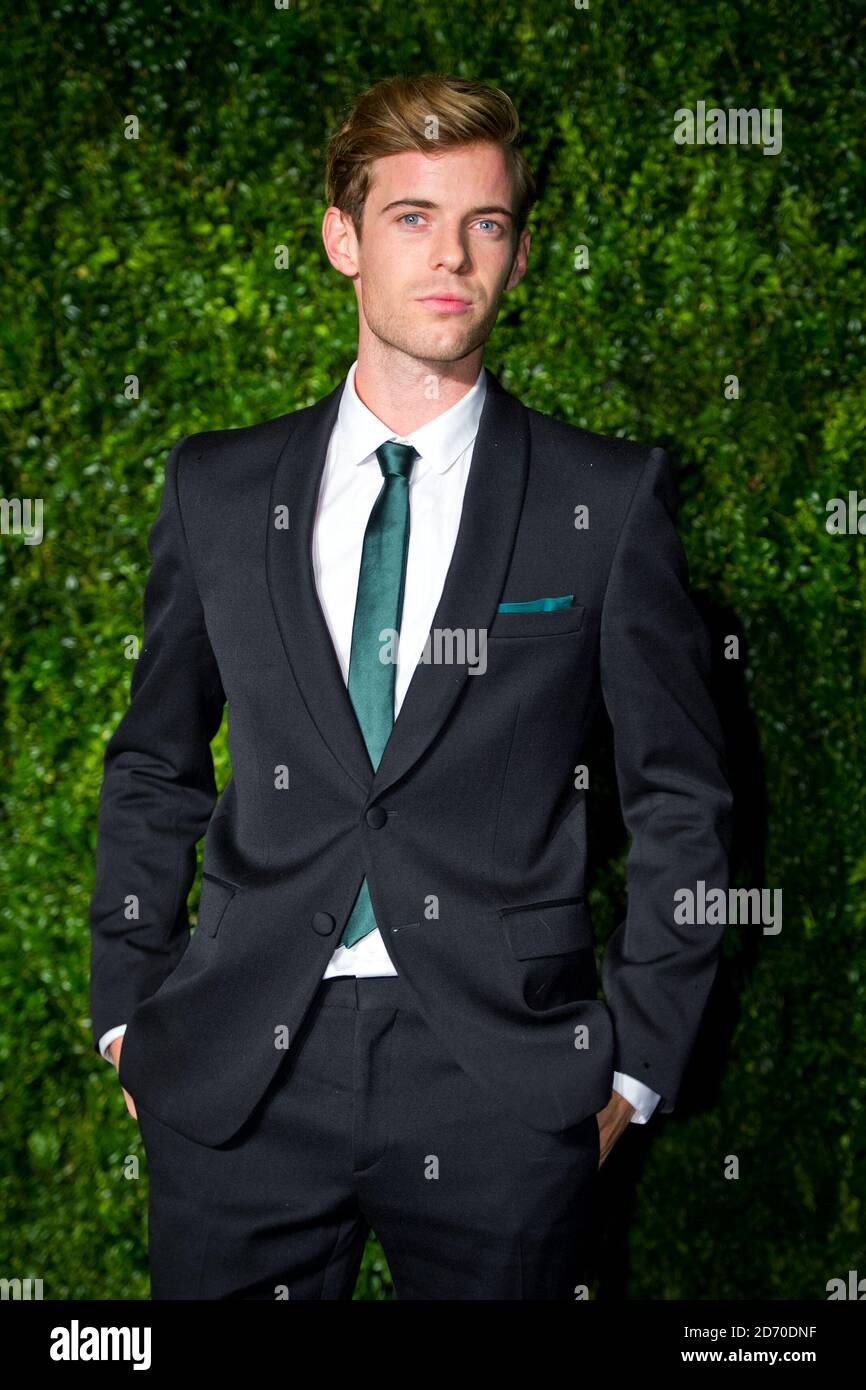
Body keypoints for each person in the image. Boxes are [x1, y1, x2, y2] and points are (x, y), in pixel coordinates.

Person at [89, 72, 733, 1300]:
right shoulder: (217, 489)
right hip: (239, 1077)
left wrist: (636, 1065)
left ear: (521, 251)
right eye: (410, 217)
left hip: (501, 1077)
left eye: (484, 222)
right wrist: (129, 1006)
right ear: (341, 237)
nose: (451, 255)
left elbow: (678, 798)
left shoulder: (604, 498)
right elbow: (154, 761)